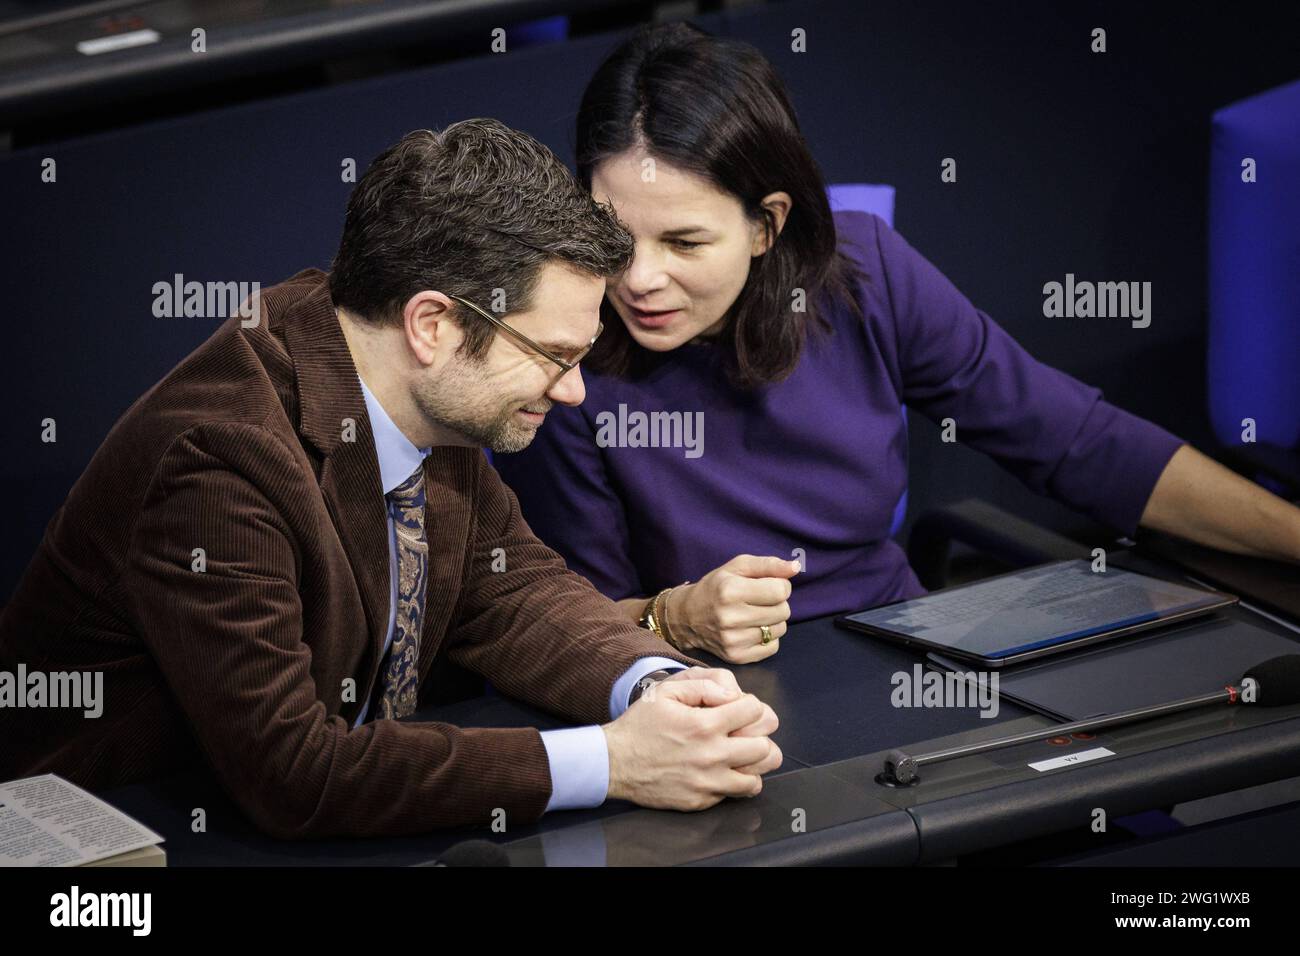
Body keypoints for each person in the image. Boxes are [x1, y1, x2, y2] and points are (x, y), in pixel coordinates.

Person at [0, 119, 782, 838]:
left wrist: (651, 684)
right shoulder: (217, 459)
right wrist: (616, 760)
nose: (573, 390)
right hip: (119, 851)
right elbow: (293, 774)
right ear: (433, 325)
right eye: (555, 357)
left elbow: (507, 591)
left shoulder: (411, 380)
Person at [494, 23, 1300, 666]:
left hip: (904, 642)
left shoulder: (864, 273)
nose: (637, 279)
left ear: (767, 225)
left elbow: (1078, 441)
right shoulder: (564, 358)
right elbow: (568, 619)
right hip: (702, 692)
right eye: (609, 232)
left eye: (686, 242)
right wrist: (674, 618)